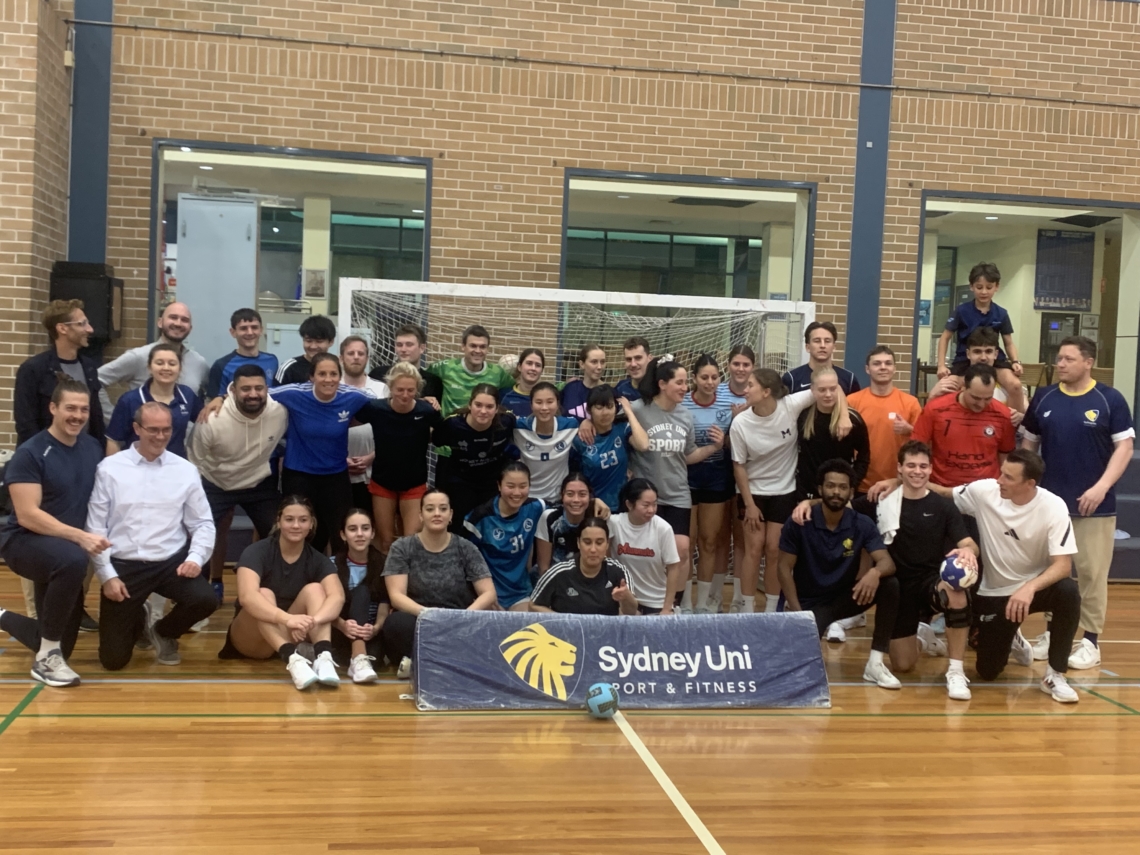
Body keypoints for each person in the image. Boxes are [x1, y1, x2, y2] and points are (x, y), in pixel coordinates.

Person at [796, 442, 980, 698]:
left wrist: (969, 551)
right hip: (898, 589)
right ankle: (922, 637)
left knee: (956, 592)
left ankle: (956, 672)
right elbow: (840, 503)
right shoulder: (881, 500)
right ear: (900, 468)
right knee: (903, 665)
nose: (917, 471)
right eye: (911, 465)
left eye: (923, 466)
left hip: (930, 583)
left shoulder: (943, 506)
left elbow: (968, 543)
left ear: (931, 469)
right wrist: (809, 503)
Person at [1022, 336, 1134, 670]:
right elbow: (1028, 446)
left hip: (1094, 506)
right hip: (1050, 506)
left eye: (1068, 359)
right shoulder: (1044, 397)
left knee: (1091, 574)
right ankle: (1052, 634)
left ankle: (1090, 641)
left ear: (1088, 362)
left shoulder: (1110, 399)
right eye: (1059, 358)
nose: (1060, 364)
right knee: (1053, 573)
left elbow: (1125, 448)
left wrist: (1101, 487)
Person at [87, 402, 218, 671]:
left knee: (205, 599)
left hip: (170, 562)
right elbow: (95, 528)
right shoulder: (110, 468)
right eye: (153, 430)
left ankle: (164, 631)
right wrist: (107, 576)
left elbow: (203, 523)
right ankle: (139, 612)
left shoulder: (185, 470)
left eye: (166, 430)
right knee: (113, 661)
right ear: (137, 429)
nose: (160, 436)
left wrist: (195, 558)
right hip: (124, 566)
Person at [950, 450, 1081, 703]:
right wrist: (898, 482)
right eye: (1001, 473)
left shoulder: (1053, 506)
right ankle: (1013, 635)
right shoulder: (984, 491)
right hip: (995, 593)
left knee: (1068, 592)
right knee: (987, 672)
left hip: (1032, 590)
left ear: (1029, 484)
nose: (999, 480)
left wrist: (1029, 588)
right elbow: (944, 494)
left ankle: (1055, 675)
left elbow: (1063, 565)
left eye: (1009, 477)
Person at [0, 379, 106, 687]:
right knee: (73, 559)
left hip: (64, 550)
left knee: (59, 638)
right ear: (53, 408)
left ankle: (8, 620)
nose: (77, 415)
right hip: (25, 542)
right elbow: (28, 515)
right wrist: (80, 537)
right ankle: (46, 659)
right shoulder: (30, 453)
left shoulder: (92, 447)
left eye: (83, 409)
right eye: (70, 408)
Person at [776, 459, 902, 689]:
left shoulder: (861, 523)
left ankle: (875, 664)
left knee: (889, 584)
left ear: (851, 492)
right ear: (820, 489)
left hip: (844, 597)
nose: (836, 492)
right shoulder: (799, 522)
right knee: (796, 669)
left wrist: (874, 572)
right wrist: (798, 613)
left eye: (843, 487)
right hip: (810, 605)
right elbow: (783, 568)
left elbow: (887, 562)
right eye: (831, 486)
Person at [732, 368, 848, 613]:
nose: (745, 389)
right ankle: (746, 610)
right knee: (754, 548)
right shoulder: (741, 423)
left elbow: (831, 387)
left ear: (766, 392)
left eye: (751, 385)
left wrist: (845, 415)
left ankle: (772, 611)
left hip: (784, 490)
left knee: (774, 550)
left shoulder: (791, 405)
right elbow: (739, 466)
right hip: (752, 492)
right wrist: (749, 504)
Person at [626, 358, 724, 611]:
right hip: (647, 497)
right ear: (662, 384)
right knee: (646, 551)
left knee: (681, 549)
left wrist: (714, 447)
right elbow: (612, 427)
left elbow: (688, 455)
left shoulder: (685, 415)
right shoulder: (639, 409)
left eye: (685, 382)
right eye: (679, 383)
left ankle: (675, 605)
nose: (685, 388)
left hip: (678, 493)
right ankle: (644, 603)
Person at [220, 496, 346, 690]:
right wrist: (288, 619)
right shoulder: (257, 551)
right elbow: (247, 597)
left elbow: (337, 597)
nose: (296, 525)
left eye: (303, 520)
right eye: (289, 519)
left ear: (312, 524)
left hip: (291, 633)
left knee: (315, 589)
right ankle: (293, 659)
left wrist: (312, 621)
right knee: (263, 594)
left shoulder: (317, 559)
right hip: (252, 638)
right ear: (278, 522)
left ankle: (323, 657)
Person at [189, 364, 288, 601]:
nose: (253, 394)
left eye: (259, 388)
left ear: (267, 388)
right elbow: (194, 463)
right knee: (201, 536)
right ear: (232, 390)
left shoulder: (280, 412)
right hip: (215, 483)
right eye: (246, 389)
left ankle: (271, 594)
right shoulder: (211, 419)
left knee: (282, 533)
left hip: (259, 483)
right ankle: (199, 598)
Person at [382, 490, 497, 678]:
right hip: (419, 618)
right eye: (430, 509)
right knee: (396, 623)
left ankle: (430, 662)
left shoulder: (466, 547)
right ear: (421, 515)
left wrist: (461, 617)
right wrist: (429, 615)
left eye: (443, 509)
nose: (437, 513)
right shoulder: (402, 547)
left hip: (458, 619)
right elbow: (396, 596)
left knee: (486, 623)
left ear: (450, 515)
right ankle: (440, 661)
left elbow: (489, 593)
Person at [269, 353, 375, 552]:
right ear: (312, 377)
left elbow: (389, 403)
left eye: (333, 374)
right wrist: (220, 399)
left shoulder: (352, 396)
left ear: (340, 376)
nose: (328, 379)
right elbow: (257, 393)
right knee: (300, 531)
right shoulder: (295, 393)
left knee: (342, 533)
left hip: (336, 477)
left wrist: (422, 401)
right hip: (299, 476)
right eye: (322, 374)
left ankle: (341, 571)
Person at [879, 363, 1015, 494]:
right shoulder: (936, 409)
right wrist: (899, 481)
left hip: (984, 492)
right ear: (963, 387)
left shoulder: (1003, 415)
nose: (981, 404)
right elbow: (914, 451)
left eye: (987, 398)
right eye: (975, 398)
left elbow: (1005, 457)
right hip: (940, 489)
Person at [355, 362, 442, 554]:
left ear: (417, 390)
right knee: (386, 542)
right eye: (400, 390)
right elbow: (346, 421)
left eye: (410, 390)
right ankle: (385, 573)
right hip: (382, 483)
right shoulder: (375, 408)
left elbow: (444, 434)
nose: (405, 395)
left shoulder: (426, 411)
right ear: (390, 388)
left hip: (414, 483)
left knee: (411, 542)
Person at [682, 354, 736, 614]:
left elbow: (735, 442)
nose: (710, 382)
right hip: (686, 477)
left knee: (709, 541)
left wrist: (724, 441)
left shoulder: (727, 403)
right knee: (687, 542)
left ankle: (703, 603)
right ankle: (684, 602)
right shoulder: (682, 403)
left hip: (716, 478)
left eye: (715, 377)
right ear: (694, 378)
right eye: (704, 377)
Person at [15, 299, 105, 445]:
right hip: (45, 452)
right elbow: (26, 423)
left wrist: (98, 450)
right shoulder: (33, 369)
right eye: (82, 324)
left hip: (83, 451)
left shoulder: (89, 367)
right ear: (62, 328)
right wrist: (43, 453)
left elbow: (96, 418)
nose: (90, 329)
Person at [936, 262, 1025, 412]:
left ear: (996, 287)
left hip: (994, 361)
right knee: (946, 387)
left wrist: (1015, 362)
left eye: (989, 287)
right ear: (971, 287)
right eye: (979, 287)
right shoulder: (961, 311)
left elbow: (1008, 342)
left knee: (1016, 386)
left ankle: (1013, 422)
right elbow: (945, 337)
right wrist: (941, 366)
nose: (984, 292)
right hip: (965, 361)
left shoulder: (1001, 313)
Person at [431, 383, 518, 530]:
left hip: (491, 482)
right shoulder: (453, 424)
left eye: (489, 407)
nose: (483, 411)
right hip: (461, 480)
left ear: (497, 408)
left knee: (489, 527)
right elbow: (436, 440)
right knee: (458, 526)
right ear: (470, 405)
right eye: (478, 405)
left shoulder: (507, 421)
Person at [97, 301, 209, 414]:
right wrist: (110, 416)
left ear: (190, 328)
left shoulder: (199, 363)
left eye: (184, 320)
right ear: (160, 322)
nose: (178, 323)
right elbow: (96, 379)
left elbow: (210, 395)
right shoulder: (139, 357)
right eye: (173, 317)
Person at [464, 462, 545, 611]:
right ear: (499, 486)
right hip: (488, 595)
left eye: (523, 486)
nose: (517, 492)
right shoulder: (479, 519)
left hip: (521, 593)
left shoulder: (536, 508)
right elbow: (466, 563)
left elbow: (565, 512)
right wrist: (483, 595)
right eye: (510, 486)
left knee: (528, 623)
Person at [713, 344, 757, 612]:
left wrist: (741, 422)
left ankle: (740, 599)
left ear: (753, 367)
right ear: (728, 365)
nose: (740, 369)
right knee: (719, 537)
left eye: (746, 364)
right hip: (718, 473)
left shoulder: (758, 394)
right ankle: (715, 597)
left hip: (749, 475)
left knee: (742, 539)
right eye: (736, 363)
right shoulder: (716, 392)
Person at [847, 345, 922, 495]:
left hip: (898, 484)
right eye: (877, 363)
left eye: (888, 363)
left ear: (894, 369)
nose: (883, 367)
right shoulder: (852, 402)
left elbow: (924, 445)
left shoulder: (910, 403)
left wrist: (909, 429)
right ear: (867, 369)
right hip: (860, 484)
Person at [105, 343, 202, 458]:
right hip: (138, 465)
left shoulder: (187, 395)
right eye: (159, 363)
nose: (166, 368)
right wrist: (114, 467)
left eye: (172, 364)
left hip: (174, 465)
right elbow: (113, 440)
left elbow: (205, 418)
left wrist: (217, 400)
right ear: (149, 368)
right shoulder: (130, 400)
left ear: (180, 369)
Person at [531, 517, 639, 615]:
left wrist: (626, 597)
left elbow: (631, 612)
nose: (593, 549)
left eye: (599, 543)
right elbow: (533, 606)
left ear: (607, 544)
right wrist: (563, 621)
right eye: (587, 542)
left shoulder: (618, 571)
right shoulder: (558, 572)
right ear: (578, 543)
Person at [331, 509, 389, 684]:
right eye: (352, 529)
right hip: (340, 628)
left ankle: (358, 658)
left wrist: (376, 628)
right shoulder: (331, 564)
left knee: (375, 661)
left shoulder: (386, 564)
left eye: (365, 528)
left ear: (373, 533)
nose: (359, 534)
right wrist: (342, 625)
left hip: (370, 631)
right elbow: (325, 605)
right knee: (362, 592)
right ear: (343, 535)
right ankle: (357, 657)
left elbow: (384, 603)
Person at [569, 385, 649, 512]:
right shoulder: (580, 440)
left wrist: (629, 412)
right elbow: (573, 476)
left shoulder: (622, 430)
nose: (605, 412)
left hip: (622, 506)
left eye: (610, 406)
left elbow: (643, 445)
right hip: (593, 507)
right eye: (599, 407)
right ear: (589, 410)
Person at [608, 479, 683, 615]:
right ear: (629, 504)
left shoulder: (663, 528)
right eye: (646, 505)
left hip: (656, 602)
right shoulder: (614, 523)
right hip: (625, 601)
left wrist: (666, 608)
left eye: (655, 504)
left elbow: (674, 568)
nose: (651, 510)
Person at [796, 368, 869, 499]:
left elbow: (864, 456)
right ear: (812, 390)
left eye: (833, 389)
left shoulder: (852, 420)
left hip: (838, 494)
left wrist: (852, 484)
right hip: (807, 492)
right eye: (822, 390)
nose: (828, 394)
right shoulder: (803, 417)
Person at [339, 335, 390, 513]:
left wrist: (372, 457)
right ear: (341, 357)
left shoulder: (382, 389)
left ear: (367, 358)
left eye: (361, 353)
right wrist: (341, 459)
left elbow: (390, 431)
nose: (356, 357)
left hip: (373, 471)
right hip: (338, 470)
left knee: (369, 522)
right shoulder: (333, 388)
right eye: (351, 353)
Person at [426, 324, 513, 416]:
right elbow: (421, 378)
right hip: (450, 423)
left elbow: (517, 388)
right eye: (473, 346)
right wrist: (424, 398)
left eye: (482, 347)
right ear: (463, 346)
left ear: (487, 349)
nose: (478, 351)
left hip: (482, 422)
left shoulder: (498, 372)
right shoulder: (444, 367)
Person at [514, 382, 580, 502]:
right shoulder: (519, 427)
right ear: (531, 405)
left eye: (550, 402)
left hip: (558, 498)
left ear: (557, 404)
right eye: (539, 402)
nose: (544, 407)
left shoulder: (570, 426)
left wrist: (587, 422)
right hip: (528, 498)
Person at [926, 327, 1014, 410]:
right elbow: (930, 416)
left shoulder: (1009, 386)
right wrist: (932, 396)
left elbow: (1016, 418)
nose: (983, 357)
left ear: (996, 354)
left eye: (988, 351)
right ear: (968, 354)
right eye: (977, 351)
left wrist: (1019, 416)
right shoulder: (952, 384)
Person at [206, 308, 279, 400]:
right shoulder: (221, 366)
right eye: (243, 328)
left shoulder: (272, 361)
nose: (250, 332)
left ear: (261, 330)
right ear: (233, 332)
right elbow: (215, 401)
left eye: (254, 327)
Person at [536, 473, 598, 573]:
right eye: (570, 494)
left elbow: (602, 563)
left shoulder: (597, 517)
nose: (576, 500)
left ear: (590, 496)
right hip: (555, 577)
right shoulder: (550, 518)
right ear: (562, 495)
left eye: (582, 494)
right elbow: (543, 568)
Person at [782, 321, 861, 395]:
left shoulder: (849, 379)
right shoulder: (791, 379)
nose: (822, 345)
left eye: (827, 341)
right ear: (807, 347)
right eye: (817, 341)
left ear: (834, 347)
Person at [368, 323, 443, 402]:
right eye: (399, 345)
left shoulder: (433, 382)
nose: (403, 349)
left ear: (422, 348)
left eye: (409, 345)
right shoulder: (378, 374)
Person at [276, 315, 336, 386]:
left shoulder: (337, 366)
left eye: (319, 341)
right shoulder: (289, 368)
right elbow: (275, 392)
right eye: (308, 341)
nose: (313, 346)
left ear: (331, 342)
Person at [561, 344, 607, 419]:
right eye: (594, 362)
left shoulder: (610, 393)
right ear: (582, 364)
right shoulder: (569, 389)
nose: (599, 367)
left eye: (602, 362)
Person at [500, 348, 546, 417]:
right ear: (519, 367)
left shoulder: (547, 397)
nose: (533, 368)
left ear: (542, 370)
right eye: (529, 363)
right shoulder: (504, 396)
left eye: (538, 365)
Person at [615, 336, 652, 402]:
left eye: (638, 358)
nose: (633, 364)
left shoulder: (661, 390)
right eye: (629, 359)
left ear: (650, 359)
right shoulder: (620, 388)